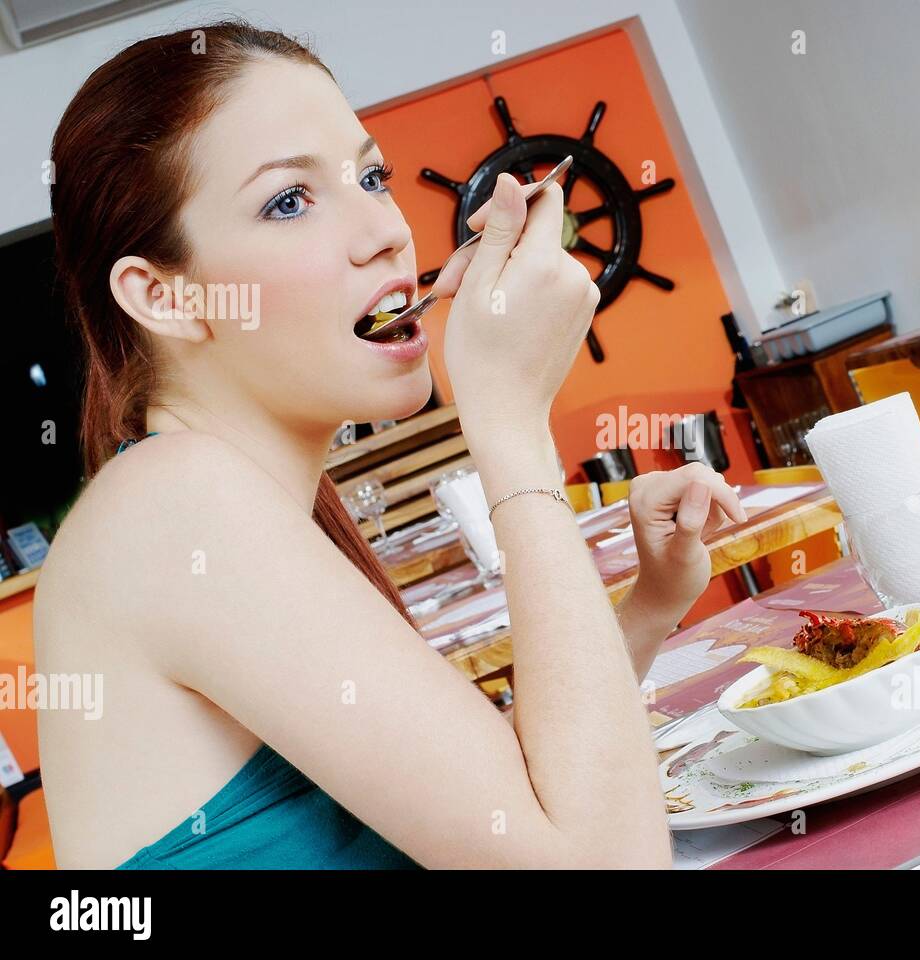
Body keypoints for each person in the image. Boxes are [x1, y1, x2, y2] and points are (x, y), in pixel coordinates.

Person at [34, 18, 745, 869]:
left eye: (371, 177)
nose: (386, 231)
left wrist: (650, 607)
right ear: (164, 296)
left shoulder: (211, 501)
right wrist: (511, 425)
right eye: (289, 201)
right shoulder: (175, 508)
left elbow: (499, 806)